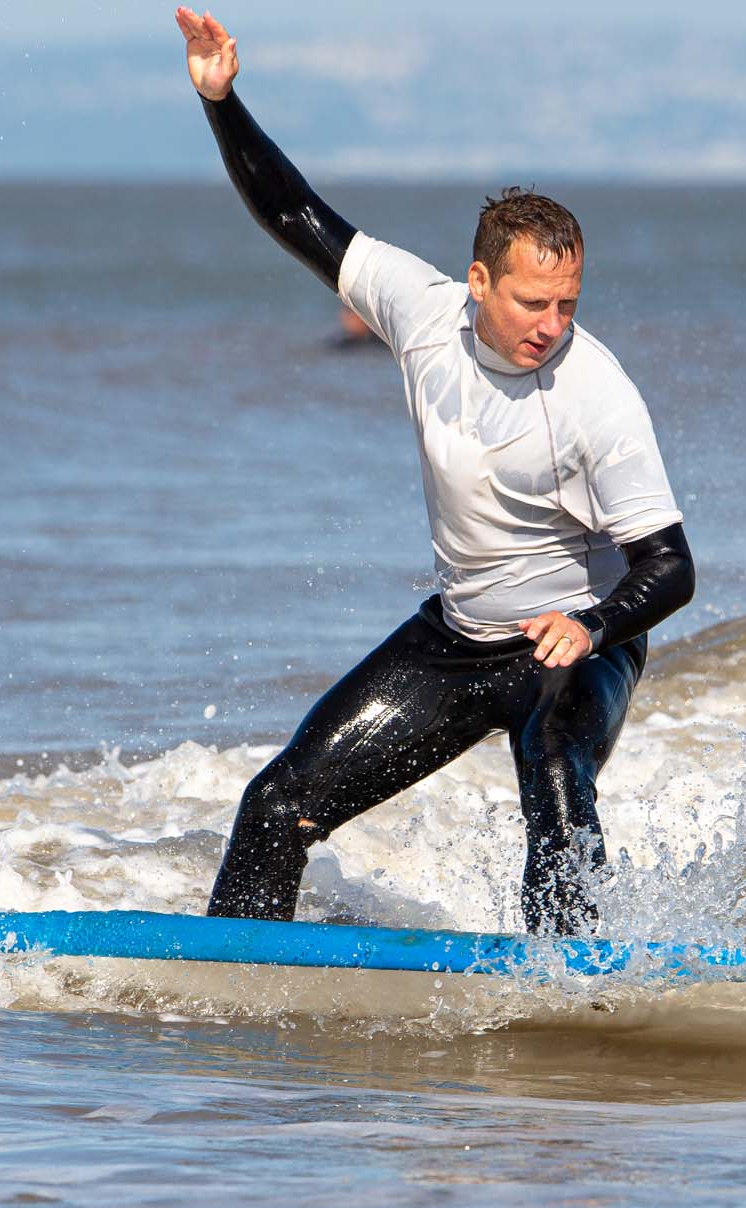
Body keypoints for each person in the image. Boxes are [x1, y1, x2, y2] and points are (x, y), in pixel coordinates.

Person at [176, 7, 694, 935]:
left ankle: (572, 997)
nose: (553, 324)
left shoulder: (599, 394)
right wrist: (222, 102)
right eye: (534, 302)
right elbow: (294, 212)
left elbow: (671, 567)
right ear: (479, 283)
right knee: (277, 802)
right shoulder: (420, 311)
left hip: (576, 645)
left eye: (569, 303)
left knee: (555, 780)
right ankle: (235, 986)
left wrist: (592, 625)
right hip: (457, 641)